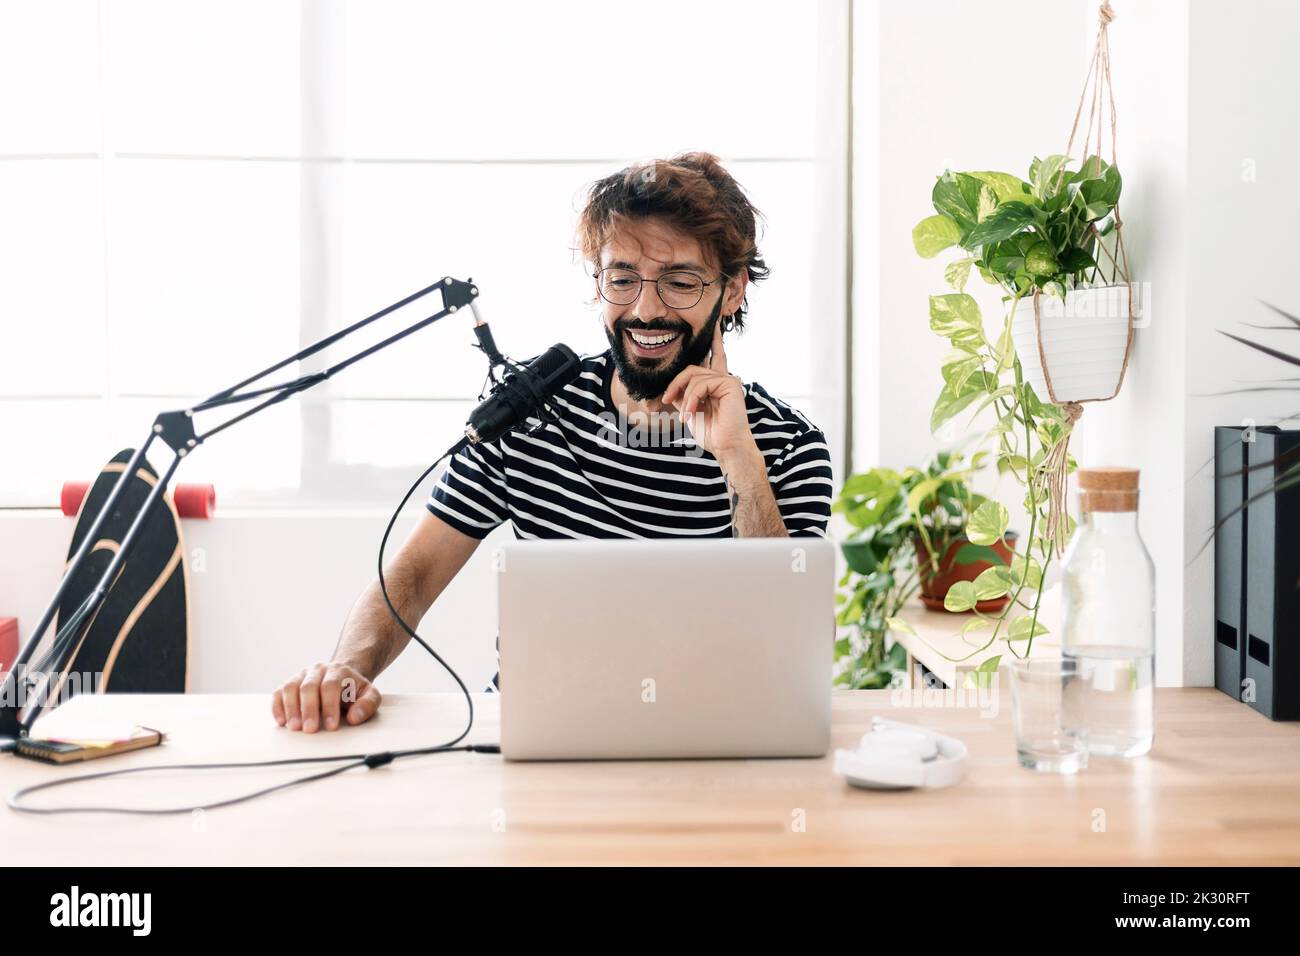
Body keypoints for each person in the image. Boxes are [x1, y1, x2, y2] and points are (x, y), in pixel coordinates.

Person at [272, 152, 834, 732]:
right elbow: (411, 578)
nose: (645, 310)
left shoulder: (787, 444)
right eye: (622, 278)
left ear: (733, 290)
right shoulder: (530, 411)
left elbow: (790, 642)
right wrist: (346, 669)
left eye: (681, 282)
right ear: (599, 284)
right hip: (541, 735)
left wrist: (739, 459)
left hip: (718, 738)